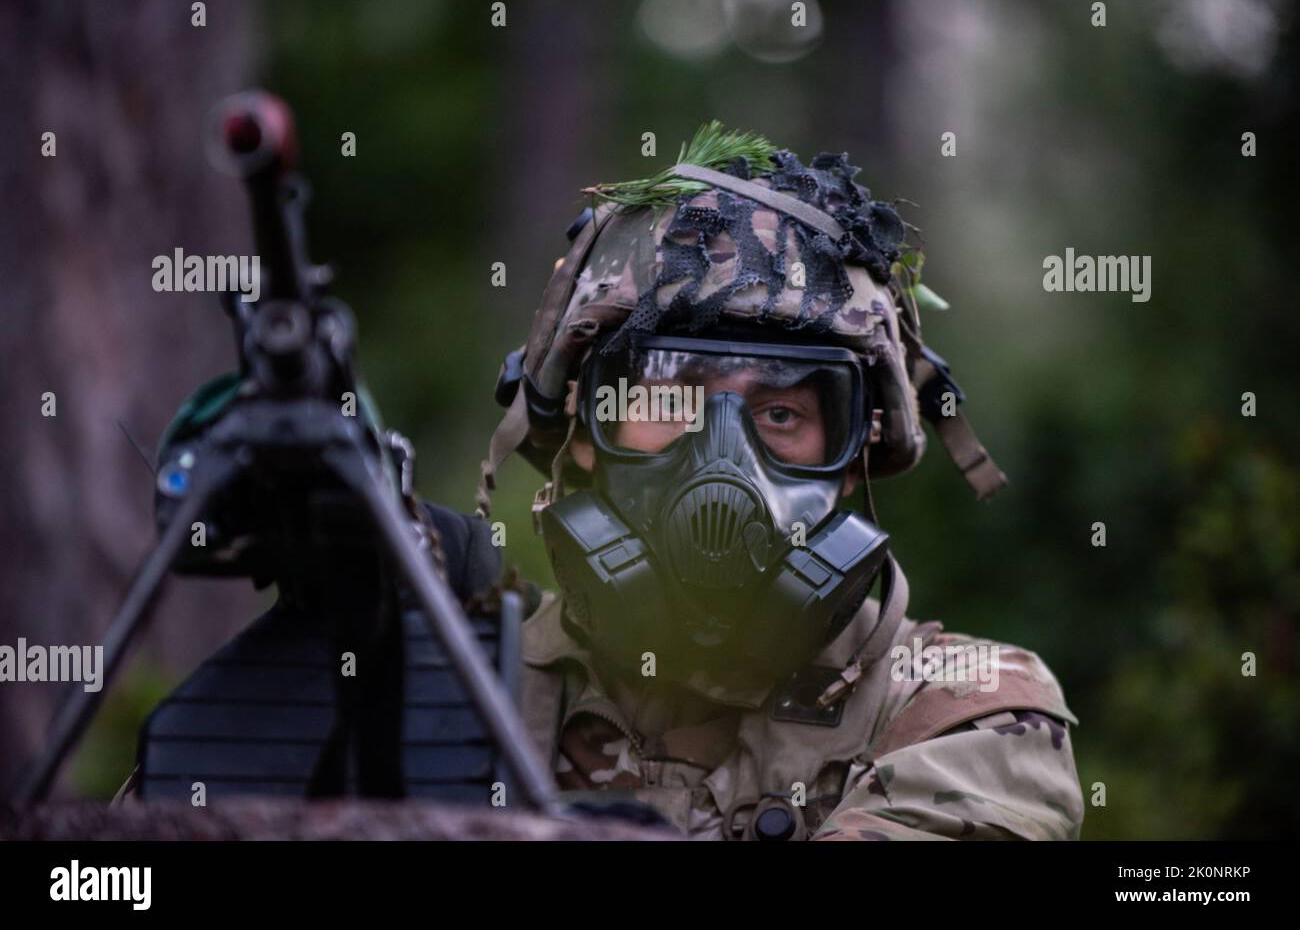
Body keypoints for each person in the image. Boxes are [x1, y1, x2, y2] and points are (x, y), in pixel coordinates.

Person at [130, 124, 1084, 841]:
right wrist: (349, 660)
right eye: (670, 403)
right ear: (578, 435)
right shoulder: (452, 682)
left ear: (856, 460)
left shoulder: (966, 708)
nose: (724, 470)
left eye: (783, 415)